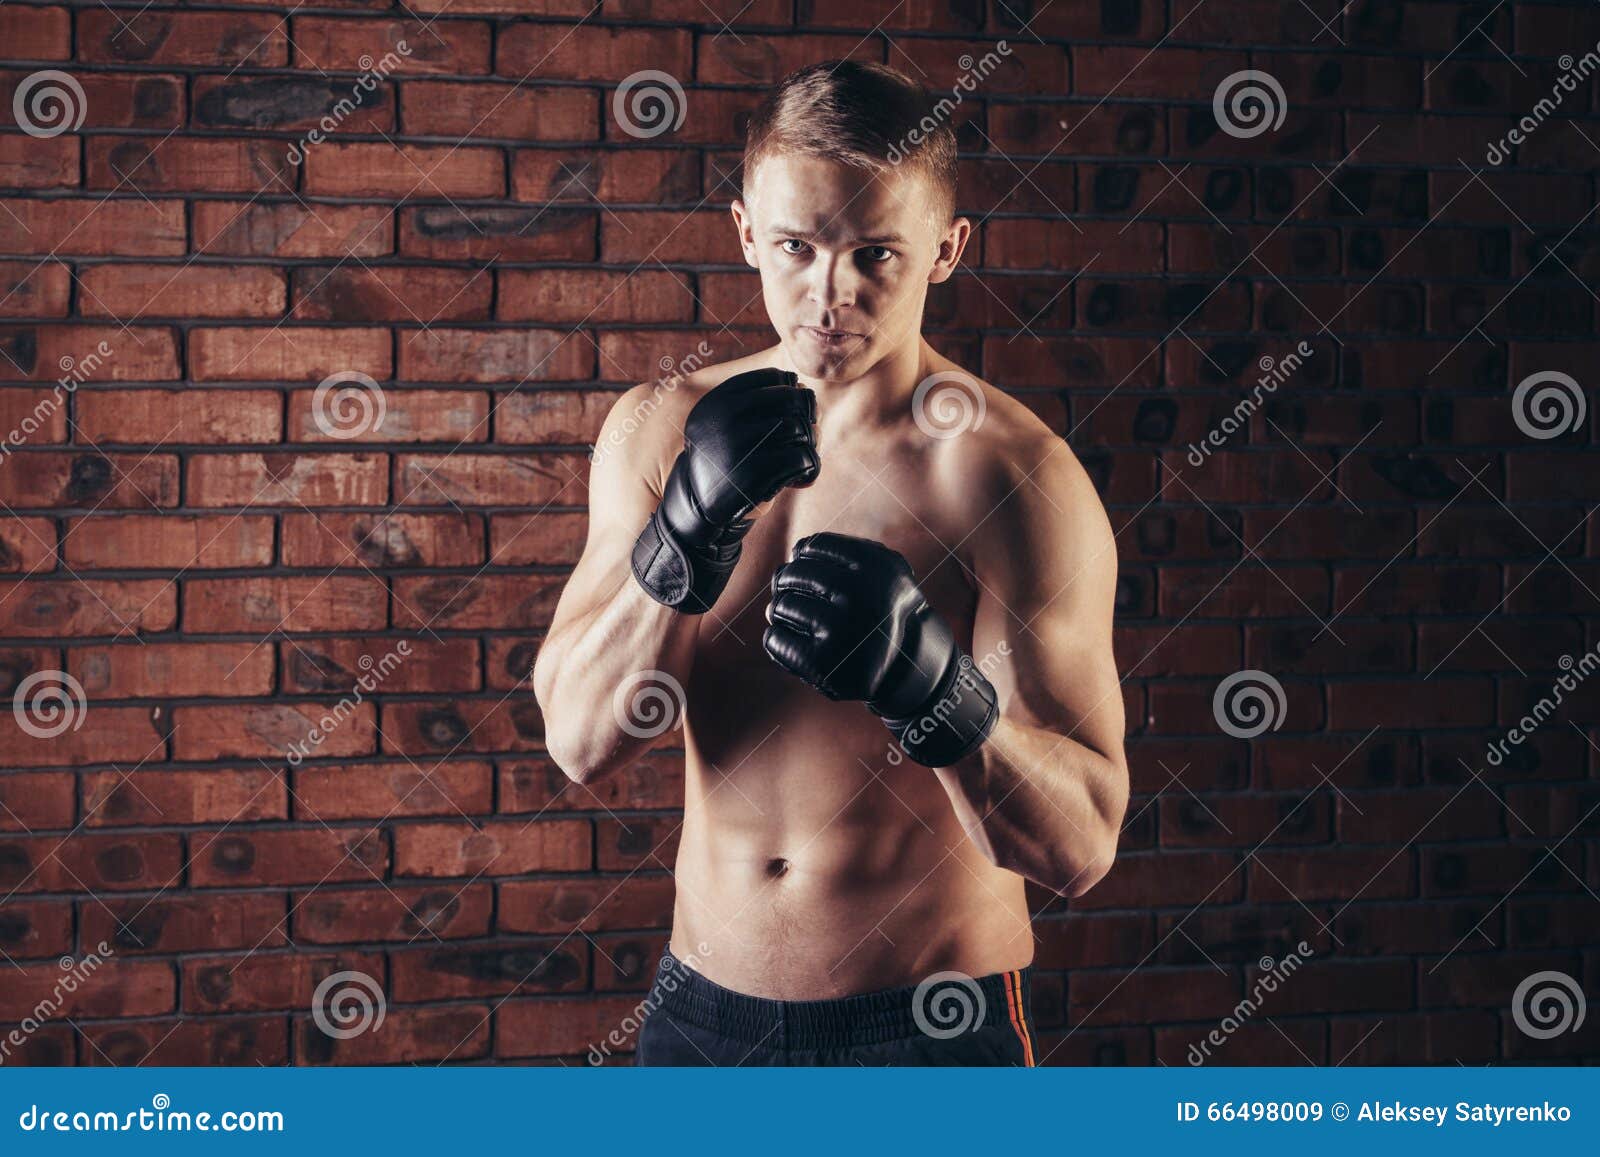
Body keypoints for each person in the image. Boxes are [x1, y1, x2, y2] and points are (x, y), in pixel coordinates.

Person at [532, 60, 1128, 1066]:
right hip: (700, 1017)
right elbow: (581, 742)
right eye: (797, 247)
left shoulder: (1008, 476)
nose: (828, 294)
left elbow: (1077, 848)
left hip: (925, 1026)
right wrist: (680, 536)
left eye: (875, 255)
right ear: (744, 235)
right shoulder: (657, 430)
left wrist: (936, 692)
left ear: (946, 250)